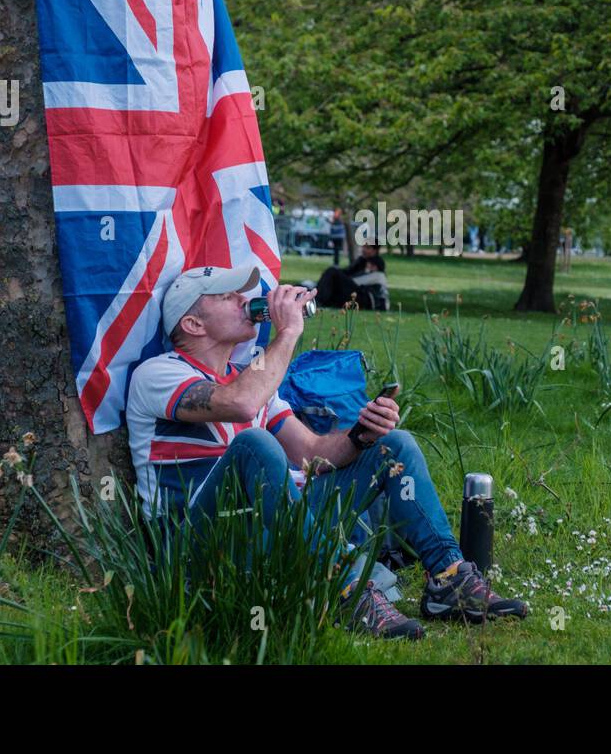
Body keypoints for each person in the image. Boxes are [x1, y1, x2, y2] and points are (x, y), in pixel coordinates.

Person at [124, 265, 528, 640]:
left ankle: (449, 580)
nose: (244, 300)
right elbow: (242, 404)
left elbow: (313, 452)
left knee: (395, 445)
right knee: (254, 443)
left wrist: (360, 437)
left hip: (267, 528)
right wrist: (286, 334)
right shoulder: (159, 373)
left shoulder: (251, 378)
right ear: (193, 323)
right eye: (227, 296)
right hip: (198, 545)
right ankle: (341, 590)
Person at [315, 242, 389, 310]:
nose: (363, 250)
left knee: (332, 272)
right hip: (355, 292)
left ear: (375, 250)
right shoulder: (361, 261)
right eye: (363, 247)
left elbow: (359, 281)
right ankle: (316, 299)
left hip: (365, 299)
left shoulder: (377, 264)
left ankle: (316, 301)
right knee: (330, 277)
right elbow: (347, 272)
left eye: (367, 248)